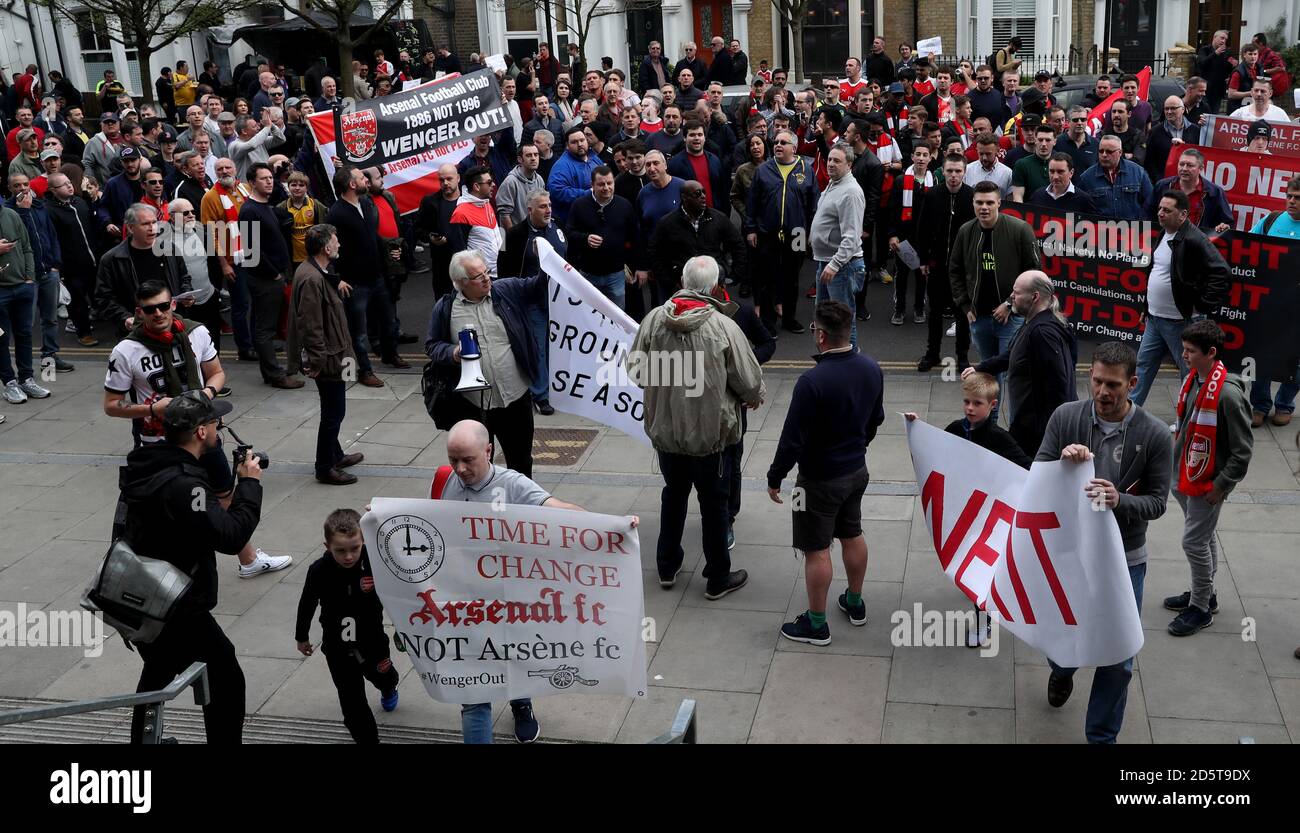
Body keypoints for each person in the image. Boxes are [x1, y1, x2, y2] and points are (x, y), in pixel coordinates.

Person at [433, 419, 614, 743]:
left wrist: (610, 528)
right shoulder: (448, 482)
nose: (459, 469)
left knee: (514, 658)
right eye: (453, 459)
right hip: (467, 607)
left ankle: (521, 703)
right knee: (474, 696)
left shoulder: (513, 485)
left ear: (488, 451)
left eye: (468, 460)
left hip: (509, 601)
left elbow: (557, 511)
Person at [105, 280, 289, 582]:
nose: (159, 313)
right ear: (139, 312)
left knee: (225, 495)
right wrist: (153, 409)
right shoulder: (126, 351)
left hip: (202, 436)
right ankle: (153, 570)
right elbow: (111, 405)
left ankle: (250, 560)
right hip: (158, 445)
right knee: (165, 510)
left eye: (164, 306)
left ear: (173, 304)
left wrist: (205, 395)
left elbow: (216, 373)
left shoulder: (196, 333)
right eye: (150, 310)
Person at [1038, 342, 1171, 743]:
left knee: (1119, 656)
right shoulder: (1065, 417)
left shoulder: (1155, 434)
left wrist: (1119, 500)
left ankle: (1101, 739)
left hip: (1124, 560)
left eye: (1113, 384)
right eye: (1096, 381)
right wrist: (1062, 462)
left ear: (1133, 383)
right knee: (1065, 636)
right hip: (1071, 552)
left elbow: (1158, 503)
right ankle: (1062, 669)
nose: (1102, 392)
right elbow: (1037, 473)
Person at [118, 391, 264, 743]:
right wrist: (250, 484)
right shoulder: (184, 484)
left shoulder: (149, 464)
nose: (219, 429)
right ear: (201, 432)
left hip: (144, 597)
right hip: (176, 606)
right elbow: (229, 538)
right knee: (226, 680)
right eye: (215, 424)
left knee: (157, 675)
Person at [628, 255, 763, 599]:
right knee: (714, 504)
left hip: (667, 433)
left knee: (673, 495)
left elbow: (636, 372)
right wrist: (751, 395)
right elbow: (748, 381)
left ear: (683, 282)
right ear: (715, 287)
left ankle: (667, 566)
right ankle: (718, 576)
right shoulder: (723, 326)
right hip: (710, 435)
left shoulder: (654, 320)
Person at [767, 299, 883, 645]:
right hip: (856, 471)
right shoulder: (871, 368)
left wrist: (776, 477)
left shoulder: (811, 382)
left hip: (817, 481)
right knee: (852, 533)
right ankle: (855, 602)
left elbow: (792, 440)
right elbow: (875, 419)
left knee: (816, 549)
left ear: (819, 336)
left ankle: (816, 625)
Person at [1162, 320, 1253, 637]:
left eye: (1190, 351)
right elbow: (1186, 424)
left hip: (1206, 484)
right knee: (1203, 537)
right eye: (1184, 349)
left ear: (1211, 352)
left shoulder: (1227, 395)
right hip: (1185, 477)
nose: (1184, 355)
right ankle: (1206, 594)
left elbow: (1242, 452)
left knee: (1193, 541)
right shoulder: (1195, 380)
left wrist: (1221, 486)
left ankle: (1200, 608)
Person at [424, 250, 545, 476]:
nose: (486, 278)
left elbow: (539, 286)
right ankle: (485, 509)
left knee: (520, 462)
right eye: (478, 276)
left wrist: (546, 259)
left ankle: (521, 508)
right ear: (461, 282)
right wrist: (452, 352)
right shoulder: (446, 307)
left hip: (515, 398)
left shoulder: (506, 290)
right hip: (473, 404)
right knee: (477, 466)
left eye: (486, 271)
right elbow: (432, 345)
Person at [295, 508, 399, 743]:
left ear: (364, 541)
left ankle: (389, 687)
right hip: (337, 646)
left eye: (355, 548)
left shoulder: (375, 562)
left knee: (383, 676)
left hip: (372, 641)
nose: (349, 556)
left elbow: (401, 575)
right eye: (340, 551)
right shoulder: (319, 571)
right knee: (351, 699)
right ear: (327, 546)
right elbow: (307, 602)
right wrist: (302, 635)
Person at [948, 181, 1040, 422]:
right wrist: (965, 306)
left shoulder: (1020, 230)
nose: (984, 208)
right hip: (979, 318)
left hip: (1013, 318)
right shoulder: (966, 231)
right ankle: (990, 426)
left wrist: (1010, 303)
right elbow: (955, 270)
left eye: (990, 202)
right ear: (973, 204)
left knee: (1013, 373)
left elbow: (1034, 273)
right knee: (989, 374)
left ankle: (1019, 425)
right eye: (979, 202)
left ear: (999, 203)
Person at [1133, 189, 1230, 406]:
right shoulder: (1164, 233)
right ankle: (1128, 415)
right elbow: (1156, 272)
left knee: (1189, 374)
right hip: (1155, 319)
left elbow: (1221, 272)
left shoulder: (1194, 238)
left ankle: (1186, 419)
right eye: (1160, 208)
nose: (1160, 213)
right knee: (1143, 366)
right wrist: (1146, 306)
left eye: (1167, 210)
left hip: (1181, 322)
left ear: (1183, 215)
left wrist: (1201, 304)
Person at [284, 223, 363, 486]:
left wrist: (335, 280)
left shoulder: (317, 272)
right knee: (333, 413)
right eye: (336, 241)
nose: (339, 245)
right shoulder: (312, 279)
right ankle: (325, 467)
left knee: (332, 409)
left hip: (332, 353)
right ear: (326, 247)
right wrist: (316, 361)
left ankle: (336, 454)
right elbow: (310, 325)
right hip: (327, 358)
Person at [964, 270, 1076, 456]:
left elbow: (1059, 386)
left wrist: (1053, 435)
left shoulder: (1042, 333)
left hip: (1037, 433)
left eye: (1016, 292)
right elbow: (1012, 355)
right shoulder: (1036, 324)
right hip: (1028, 426)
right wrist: (979, 368)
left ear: (1034, 297)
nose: (1011, 297)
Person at [325, 166, 396, 387]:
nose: (366, 179)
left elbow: (372, 236)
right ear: (351, 185)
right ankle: (364, 370)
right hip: (354, 282)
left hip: (377, 276)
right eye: (361, 177)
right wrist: (337, 279)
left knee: (389, 321)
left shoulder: (367, 203)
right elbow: (329, 250)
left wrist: (388, 250)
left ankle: (390, 355)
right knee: (359, 332)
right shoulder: (336, 213)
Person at [498, 190, 565, 416]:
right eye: (542, 207)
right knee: (538, 348)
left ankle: (553, 386)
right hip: (531, 301)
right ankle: (540, 394)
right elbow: (504, 268)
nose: (548, 210)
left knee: (555, 346)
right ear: (530, 210)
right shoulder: (514, 234)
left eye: (549, 206)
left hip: (557, 301)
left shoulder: (556, 228)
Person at [744, 129, 818, 333]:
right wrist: (751, 229)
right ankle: (768, 322)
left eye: (783, 142)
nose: (777, 145)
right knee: (767, 278)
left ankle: (789, 318)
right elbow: (752, 203)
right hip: (768, 233)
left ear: (794, 148)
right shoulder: (764, 170)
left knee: (792, 279)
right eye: (776, 141)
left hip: (797, 235)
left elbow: (813, 204)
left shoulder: (806, 169)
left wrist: (812, 232)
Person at [237, 163, 301, 389]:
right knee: (265, 329)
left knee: (268, 326)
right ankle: (275, 375)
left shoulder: (267, 206)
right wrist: (273, 274)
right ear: (252, 183)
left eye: (270, 178)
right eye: (263, 178)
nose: (269, 181)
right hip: (264, 279)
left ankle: (270, 372)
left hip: (275, 275)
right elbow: (252, 249)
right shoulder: (249, 210)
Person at [1246, 175, 1300, 426]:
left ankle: (1285, 404)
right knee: (1261, 353)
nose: (1291, 201)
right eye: (1289, 196)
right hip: (1268, 304)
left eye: (1297, 198)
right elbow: (1246, 246)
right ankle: (1259, 404)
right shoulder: (1271, 220)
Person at [915, 152, 975, 371]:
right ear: (943, 171)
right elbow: (922, 229)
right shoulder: (933, 195)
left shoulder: (971, 196)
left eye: (958, 171)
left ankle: (962, 356)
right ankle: (932, 353)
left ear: (964, 172)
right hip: (937, 263)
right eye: (949, 171)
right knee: (935, 311)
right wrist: (923, 259)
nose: (953, 175)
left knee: (962, 313)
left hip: (963, 267)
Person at [6, 172, 71, 375]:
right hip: (27, 277)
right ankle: (24, 369)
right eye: (17, 186)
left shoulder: (39, 206)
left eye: (26, 184)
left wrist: (56, 263)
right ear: (10, 189)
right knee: (26, 324)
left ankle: (49, 360)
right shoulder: (8, 212)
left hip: (48, 271)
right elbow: (18, 239)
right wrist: (23, 211)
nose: (23, 189)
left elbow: (51, 235)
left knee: (50, 319)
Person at [650, 179, 746, 296]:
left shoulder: (719, 218)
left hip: (714, 286)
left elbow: (738, 244)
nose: (703, 196)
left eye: (704, 192)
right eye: (697, 193)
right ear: (684, 197)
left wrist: (735, 275)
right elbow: (654, 252)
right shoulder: (667, 223)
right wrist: (668, 282)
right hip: (681, 287)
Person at [566, 166, 639, 309]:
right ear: (592, 185)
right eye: (601, 184)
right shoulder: (579, 205)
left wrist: (636, 266)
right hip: (588, 274)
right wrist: (585, 238)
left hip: (616, 275)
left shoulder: (624, 205)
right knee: (588, 315)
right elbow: (568, 232)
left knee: (616, 317)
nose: (606, 188)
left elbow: (635, 237)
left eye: (609, 183)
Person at [44, 173, 100, 347]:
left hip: (92, 259)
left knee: (98, 293)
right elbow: (51, 239)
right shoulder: (50, 211)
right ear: (53, 190)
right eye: (63, 185)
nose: (69, 186)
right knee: (77, 301)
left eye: (69, 182)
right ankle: (84, 332)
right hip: (71, 264)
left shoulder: (80, 202)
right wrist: (57, 264)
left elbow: (92, 223)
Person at [887, 142, 933, 327]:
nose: (921, 158)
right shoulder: (901, 181)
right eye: (918, 154)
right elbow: (893, 210)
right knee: (902, 274)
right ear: (912, 156)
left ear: (930, 158)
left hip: (925, 237)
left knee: (922, 273)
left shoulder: (935, 181)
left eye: (925, 155)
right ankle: (899, 308)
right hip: (905, 235)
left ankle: (919, 307)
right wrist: (892, 234)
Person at [1147, 147, 1233, 233]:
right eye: (1181, 164)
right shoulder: (1162, 186)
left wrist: (1224, 226)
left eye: (1190, 165)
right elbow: (1146, 214)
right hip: (1163, 239)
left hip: (1196, 243)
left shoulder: (1214, 192)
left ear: (1201, 168)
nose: (1184, 169)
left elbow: (1227, 222)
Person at [416, 163, 465, 297]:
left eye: (449, 179)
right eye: (441, 180)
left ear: (458, 178)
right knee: (444, 302)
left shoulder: (468, 200)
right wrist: (430, 238)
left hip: (467, 262)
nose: (445, 183)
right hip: (442, 264)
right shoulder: (430, 202)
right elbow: (419, 229)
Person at [1077, 135, 1152, 221]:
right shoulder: (1086, 178)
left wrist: (1141, 223)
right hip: (1101, 231)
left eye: (1109, 151)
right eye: (1101, 151)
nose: (1104, 155)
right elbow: (1080, 209)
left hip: (1132, 231)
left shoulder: (1138, 172)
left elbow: (1150, 202)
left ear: (1120, 152)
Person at [547, 125, 603, 225]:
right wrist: (589, 193)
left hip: (596, 215)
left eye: (582, 140)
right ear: (567, 146)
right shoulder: (561, 166)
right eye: (574, 142)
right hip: (574, 221)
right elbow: (557, 191)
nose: (580, 144)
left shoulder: (594, 158)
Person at [495, 143, 545, 230]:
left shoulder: (539, 179)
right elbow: (504, 215)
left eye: (536, 155)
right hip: (518, 236)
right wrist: (514, 236)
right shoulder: (510, 182)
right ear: (520, 159)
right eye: (529, 155)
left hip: (536, 232)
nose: (533, 158)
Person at [1010, 124, 1056, 202]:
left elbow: (1069, 194)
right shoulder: (1022, 164)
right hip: (1031, 212)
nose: (1044, 144)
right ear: (1035, 140)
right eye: (1040, 140)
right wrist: (1020, 213)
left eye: (1048, 140)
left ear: (1054, 141)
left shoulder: (1062, 163)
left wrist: (1069, 215)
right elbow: (1018, 197)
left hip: (1057, 212)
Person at [1195, 30, 1236, 115]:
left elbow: (1231, 68)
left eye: (1225, 39)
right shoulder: (1204, 50)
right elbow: (1202, 63)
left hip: (1219, 91)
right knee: (1204, 114)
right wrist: (1215, 53)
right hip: (1205, 90)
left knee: (1214, 115)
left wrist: (1232, 70)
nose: (1223, 41)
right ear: (1214, 37)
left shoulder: (1227, 52)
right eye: (1222, 38)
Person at [963, 132, 1012, 197]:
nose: (984, 158)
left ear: (997, 151)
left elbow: (1010, 202)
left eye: (988, 154)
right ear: (977, 150)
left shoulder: (1007, 173)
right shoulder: (967, 170)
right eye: (981, 154)